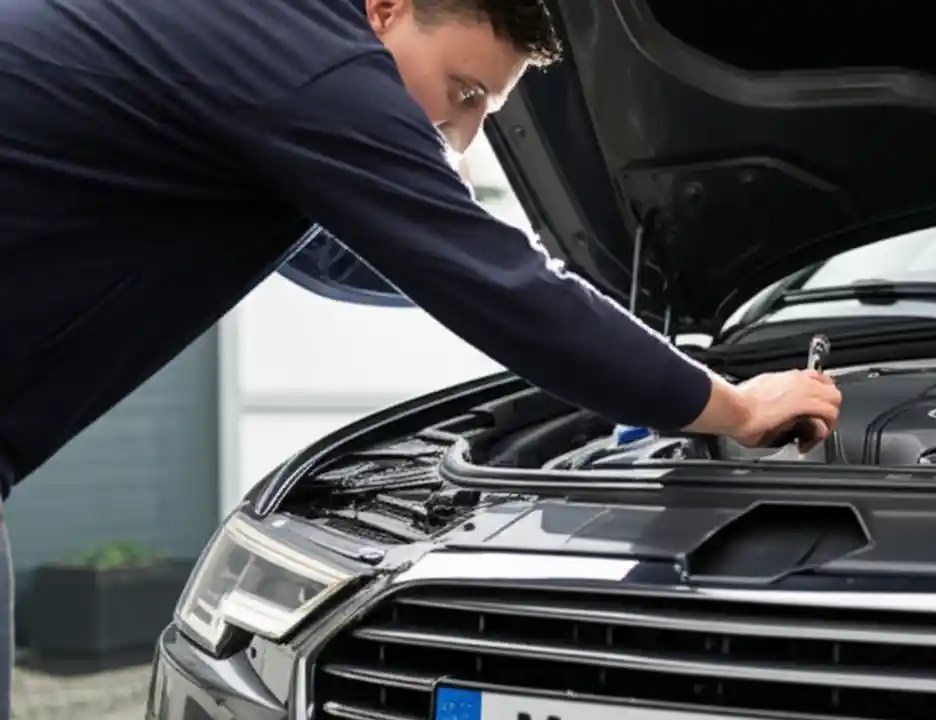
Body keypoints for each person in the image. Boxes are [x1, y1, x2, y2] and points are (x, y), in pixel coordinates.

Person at [0, 0, 842, 712]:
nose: (464, 136)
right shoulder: (318, 70)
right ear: (387, 7)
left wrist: (596, 314)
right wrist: (734, 405)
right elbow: (486, 283)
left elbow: (357, 254)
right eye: (465, 91)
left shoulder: (255, 41)